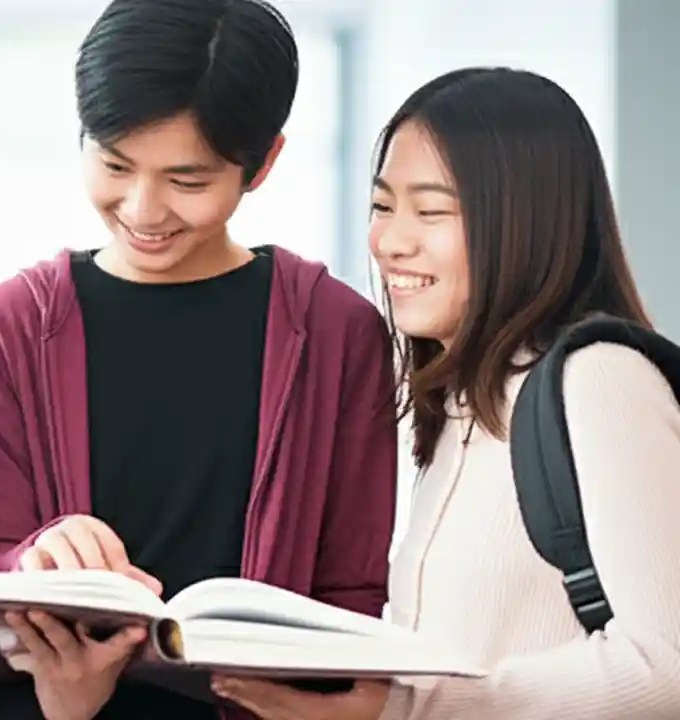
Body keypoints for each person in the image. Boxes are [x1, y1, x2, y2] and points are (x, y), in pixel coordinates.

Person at [0, 0, 398, 717]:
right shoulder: (6, 327)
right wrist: (36, 557)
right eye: (116, 164)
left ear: (264, 162)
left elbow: (353, 592)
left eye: (187, 181)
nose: (144, 210)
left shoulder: (339, 333)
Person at [212, 67, 680, 719]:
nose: (390, 242)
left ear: (526, 220)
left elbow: (668, 668)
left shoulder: (599, 379)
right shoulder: (459, 405)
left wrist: (410, 708)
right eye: (382, 206)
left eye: (430, 211)